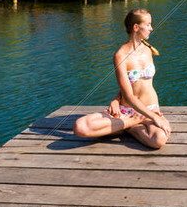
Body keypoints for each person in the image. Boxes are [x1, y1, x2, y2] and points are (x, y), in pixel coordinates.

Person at [73, 8, 172, 149]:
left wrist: (116, 99)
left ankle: (124, 127)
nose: (151, 28)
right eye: (148, 24)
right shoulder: (120, 56)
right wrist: (153, 118)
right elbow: (129, 94)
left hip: (150, 110)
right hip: (127, 112)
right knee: (80, 126)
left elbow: (136, 85)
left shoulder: (148, 50)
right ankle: (131, 123)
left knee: (159, 139)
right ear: (136, 27)